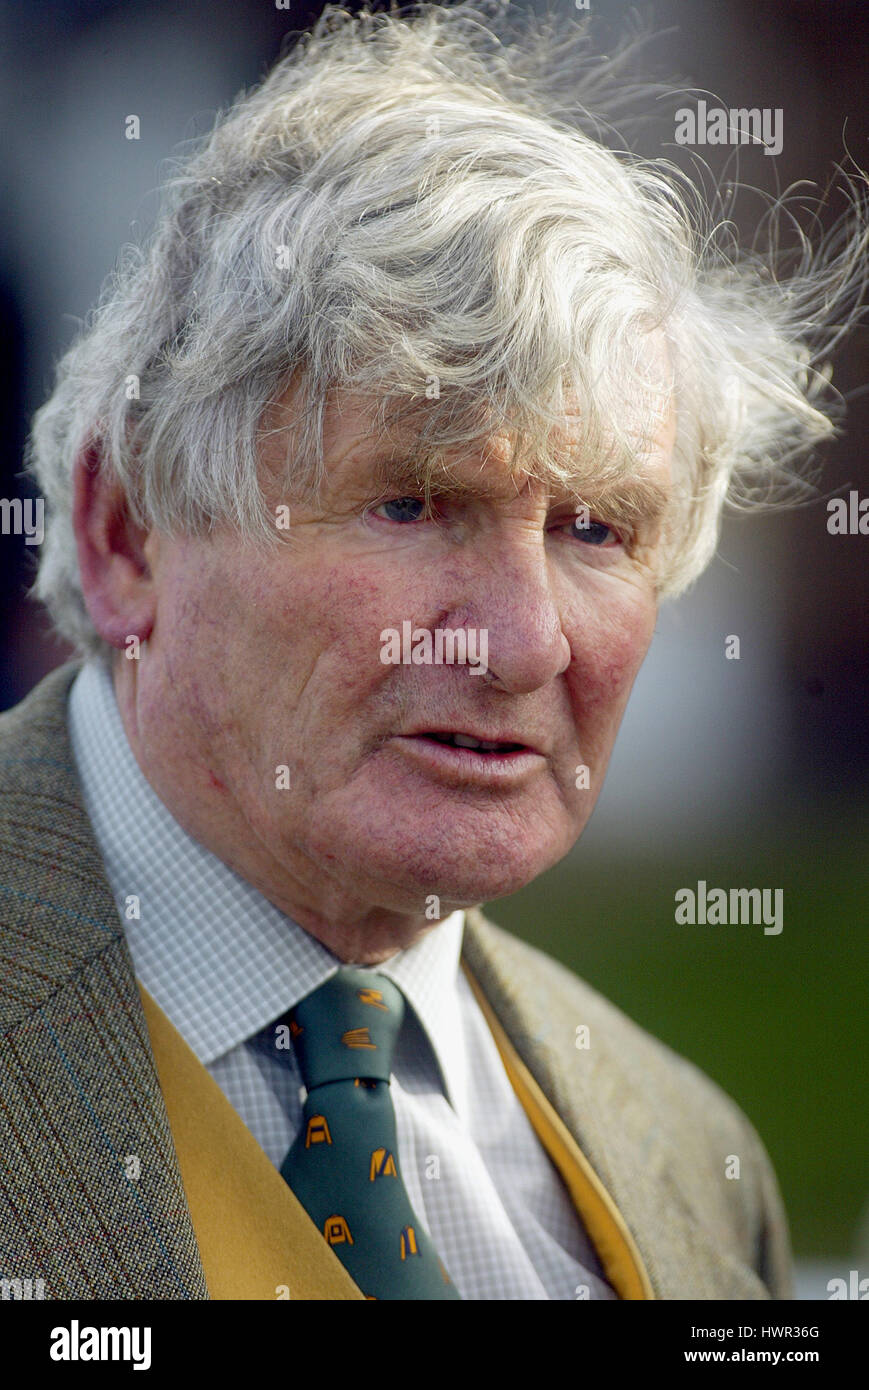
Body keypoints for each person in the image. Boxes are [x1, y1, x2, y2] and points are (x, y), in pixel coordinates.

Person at [0, 1, 863, 1301]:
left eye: (592, 528)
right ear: (129, 537)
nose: (521, 643)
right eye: (410, 504)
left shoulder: (688, 1150)